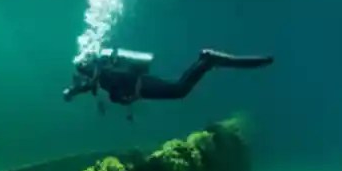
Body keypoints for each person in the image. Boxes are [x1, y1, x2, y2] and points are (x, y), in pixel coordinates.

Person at [62, 47, 273, 116]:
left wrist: (131, 96)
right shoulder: (100, 73)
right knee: (178, 88)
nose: (81, 80)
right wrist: (73, 92)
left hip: (143, 85)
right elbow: (93, 87)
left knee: (179, 90)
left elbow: (126, 80)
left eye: (80, 75)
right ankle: (204, 61)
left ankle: (206, 60)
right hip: (143, 85)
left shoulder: (102, 73)